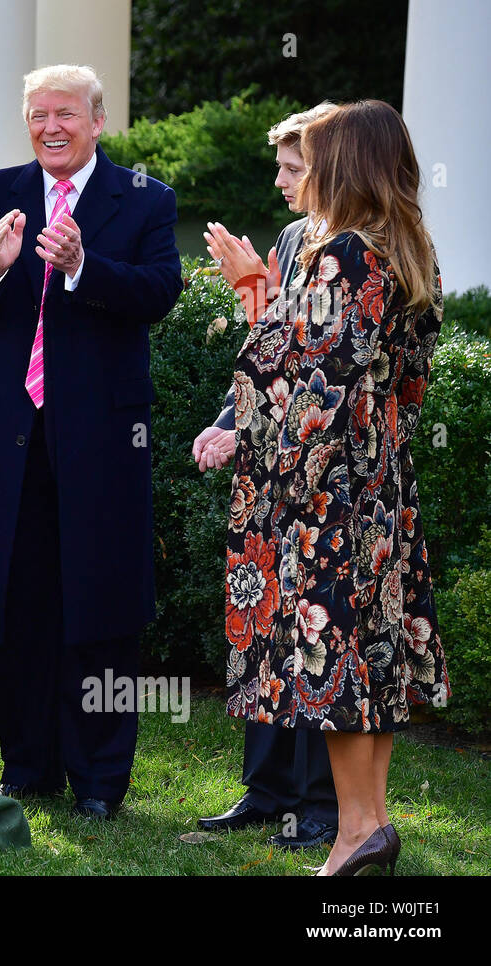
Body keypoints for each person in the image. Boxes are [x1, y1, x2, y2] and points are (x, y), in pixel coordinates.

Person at [0, 65, 182, 818]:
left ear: (97, 121)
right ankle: (27, 768)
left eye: (66, 114)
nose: (50, 127)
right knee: (19, 600)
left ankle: (101, 781)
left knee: (99, 600)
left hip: (103, 439)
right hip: (12, 436)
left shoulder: (142, 198)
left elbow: (159, 291)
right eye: (38, 114)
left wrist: (82, 268)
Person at [211, 99, 448, 875]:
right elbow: (402, 382)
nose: (298, 174)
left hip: (327, 492)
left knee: (334, 658)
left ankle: (352, 832)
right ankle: (371, 823)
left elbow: (305, 378)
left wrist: (253, 296)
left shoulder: (343, 253)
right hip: (379, 482)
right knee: (372, 652)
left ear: (344, 163)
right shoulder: (409, 248)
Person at [192, 103, 341, 850]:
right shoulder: (290, 237)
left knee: (317, 631)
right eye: (279, 166)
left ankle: (322, 803)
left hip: (327, 473)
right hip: (267, 467)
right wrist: (227, 422)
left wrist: (254, 296)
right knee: (262, 620)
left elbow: (321, 362)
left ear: (335, 165)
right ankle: (266, 789)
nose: (280, 181)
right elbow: (266, 348)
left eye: (293, 168)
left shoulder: (367, 245)